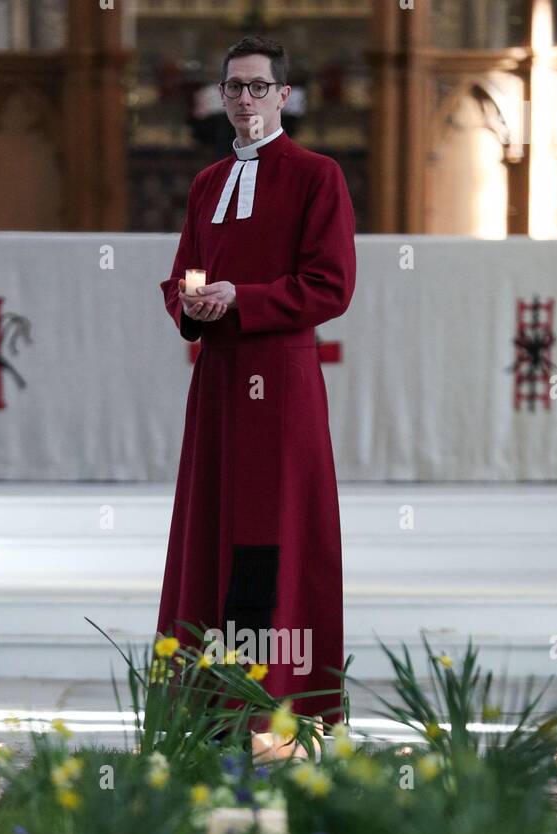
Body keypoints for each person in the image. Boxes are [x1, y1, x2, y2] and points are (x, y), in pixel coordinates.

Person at [156, 34, 357, 741]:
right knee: (215, 530)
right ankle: (212, 705)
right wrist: (195, 302)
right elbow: (186, 271)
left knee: (272, 538)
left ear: (284, 96)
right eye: (234, 87)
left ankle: (275, 706)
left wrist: (245, 299)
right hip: (218, 383)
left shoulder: (315, 176)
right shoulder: (208, 184)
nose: (244, 99)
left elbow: (330, 284)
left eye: (257, 87)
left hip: (281, 385)